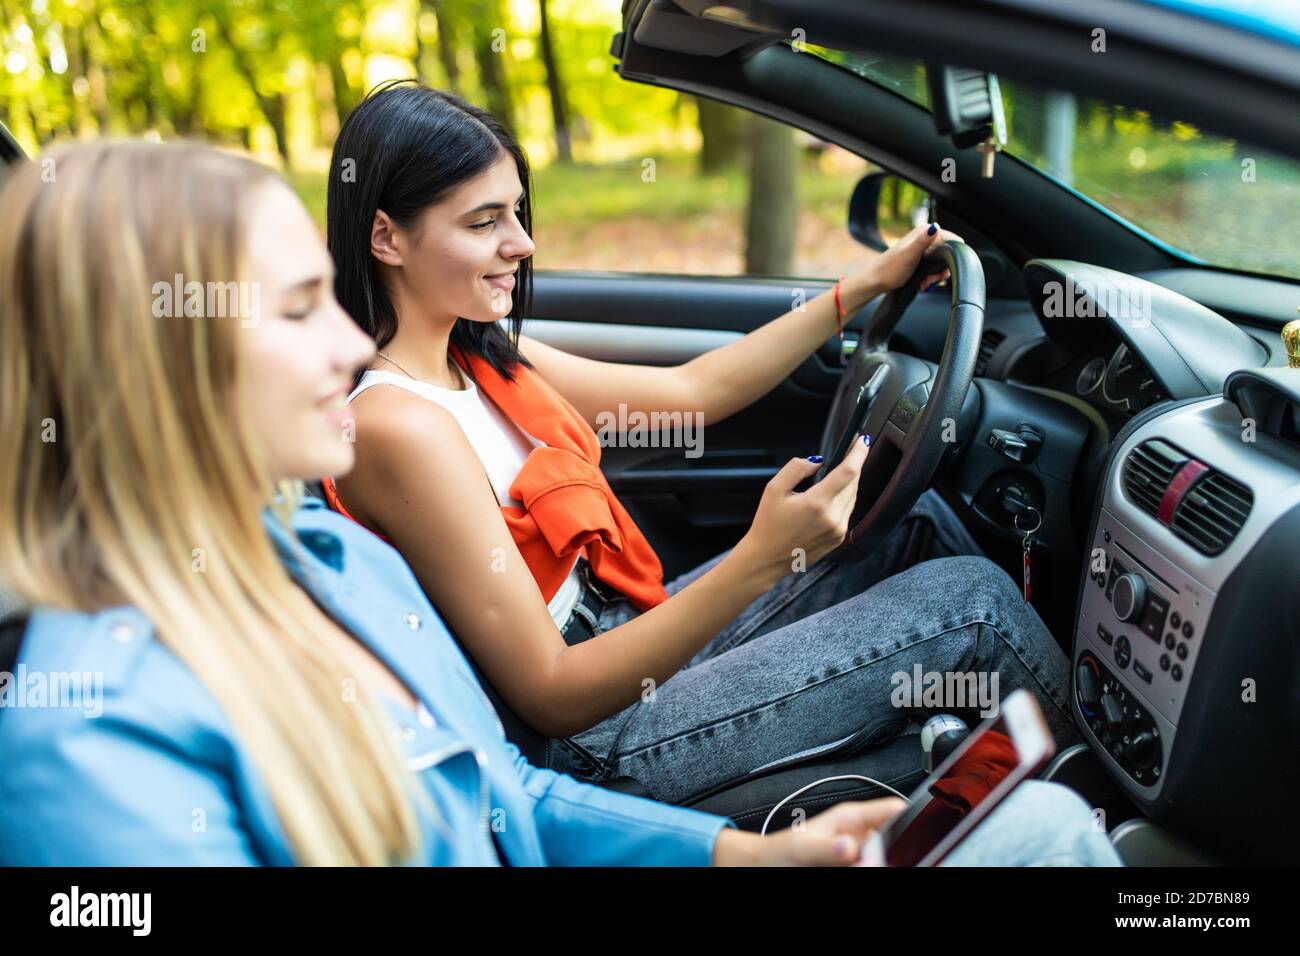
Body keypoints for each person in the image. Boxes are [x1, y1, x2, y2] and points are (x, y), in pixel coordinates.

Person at [0, 139, 1119, 867]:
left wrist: (758, 857)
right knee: (1034, 767)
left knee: (1013, 753)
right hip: (599, 709)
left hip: (608, 668)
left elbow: (510, 799)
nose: (342, 342)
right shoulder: (88, 747)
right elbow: (552, 708)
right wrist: (762, 559)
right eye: (297, 312)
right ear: (152, 358)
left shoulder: (331, 559)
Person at [322, 81, 1078, 803]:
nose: (520, 244)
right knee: (972, 605)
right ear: (387, 237)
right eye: (483, 222)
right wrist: (763, 556)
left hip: (620, 627)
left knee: (911, 528)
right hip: (591, 736)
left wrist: (862, 287)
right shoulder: (399, 425)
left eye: (517, 213)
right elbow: (549, 692)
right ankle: (1111, 817)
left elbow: (697, 392)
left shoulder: (475, 355)